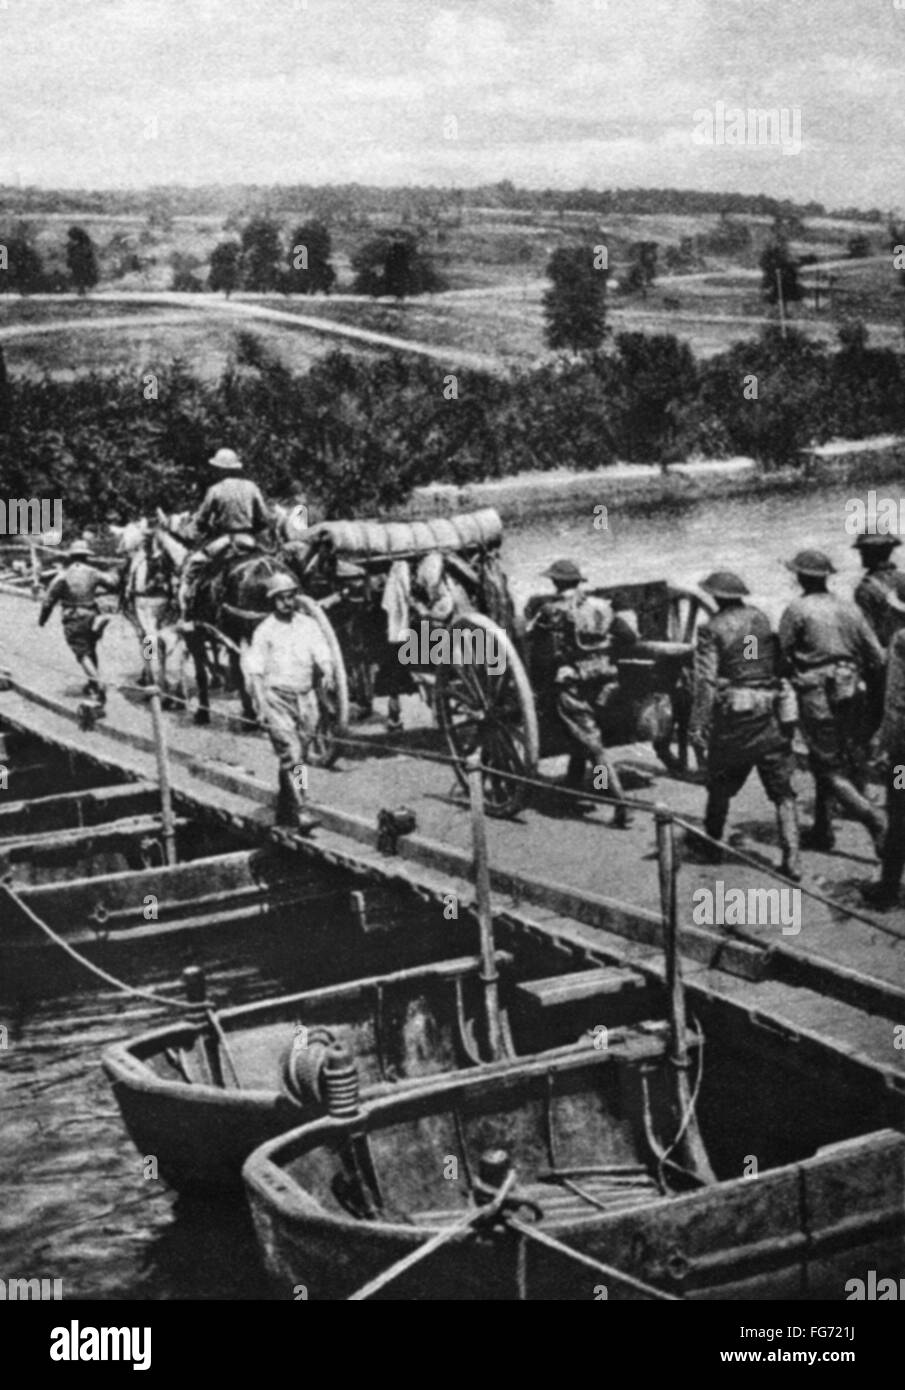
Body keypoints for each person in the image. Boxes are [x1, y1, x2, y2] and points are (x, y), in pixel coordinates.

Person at [686, 571, 801, 878]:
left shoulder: (711, 629)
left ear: (715, 597)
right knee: (782, 792)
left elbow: (706, 681)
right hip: (769, 714)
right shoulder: (759, 619)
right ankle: (793, 858)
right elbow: (763, 660)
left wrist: (697, 724)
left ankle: (711, 844)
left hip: (735, 720)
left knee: (719, 785)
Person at [779, 549, 886, 855]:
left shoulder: (797, 610)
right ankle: (823, 830)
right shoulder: (849, 608)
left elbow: (781, 657)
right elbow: (877, 656)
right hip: (851, 692)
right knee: (830, 759)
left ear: (800, 577)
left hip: (816, 697)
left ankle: (873, 818)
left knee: (826, 766)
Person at [525, 558, 632, 827]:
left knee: (592, 744)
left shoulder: (551, 611)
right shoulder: (601, 607)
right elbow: (630, 638)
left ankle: (622, 804)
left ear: (554, 582)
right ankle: (572, 787)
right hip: (606, 680)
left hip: (572, 684)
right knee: (584, 734)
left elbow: (536, 651)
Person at [244, 574, 333, 835]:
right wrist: (260, 705)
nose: (287, 602)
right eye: (281, 598)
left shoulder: (308, 625)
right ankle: (302, 809)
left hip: (305, 697)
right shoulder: (265, 631)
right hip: (276, 698)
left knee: (299, 756)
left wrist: (327, 670)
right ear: (273, 601)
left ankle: (286, 807)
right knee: (292, 754)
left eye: (290, 596)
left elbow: (322, 651)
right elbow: (256, 671)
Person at [180, 448, 271, 622]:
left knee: (192, 567)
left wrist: (198, 532)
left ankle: (186, 610)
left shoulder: (215, 490)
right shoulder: (252, 487)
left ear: (221, 469)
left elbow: (201, 521)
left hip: (224, 540)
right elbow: (265, 518)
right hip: (249, 540)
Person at [38, 541, 119, 704]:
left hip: (74, 617)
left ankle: (97, 683)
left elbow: (48, 600)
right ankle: (148, 675)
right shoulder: (93, 572)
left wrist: (43, 618)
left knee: (82, 652)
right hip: (93, 615)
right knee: (148, 639)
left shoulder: (63, 575)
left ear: (71, 557)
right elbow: (113, 583)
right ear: (87, 557)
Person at [863, 591, 905, 909]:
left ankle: (889, 889)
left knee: (899, 813)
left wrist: (883, 750)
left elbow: (895, 704)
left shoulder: (901, 640)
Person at [853, 533, 905, 646]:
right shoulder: (902, 579)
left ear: (872, 553)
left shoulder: (865, 588)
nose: (861, 554)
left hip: (888, 652)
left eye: (864, 551)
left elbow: (867, 632)